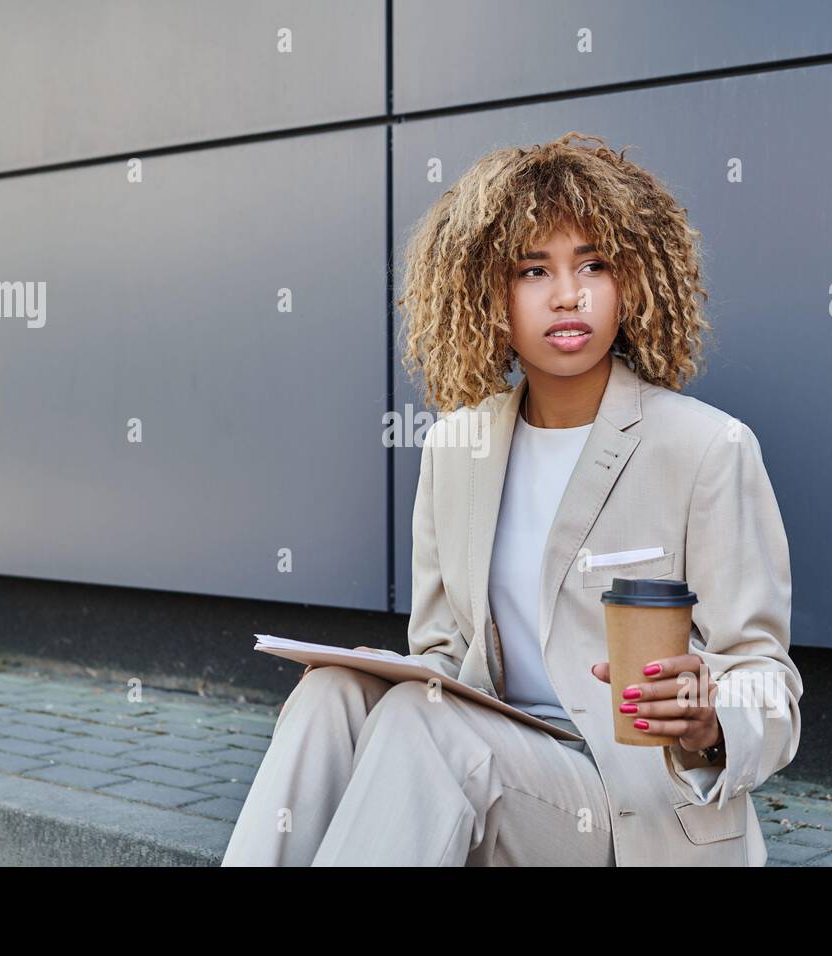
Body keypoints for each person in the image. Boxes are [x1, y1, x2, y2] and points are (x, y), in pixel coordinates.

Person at [220, 131, 801, 866]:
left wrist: (710, 711)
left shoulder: (707, 447)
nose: (569, 293)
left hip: (627, 807)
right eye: (534, 270)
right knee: (332, 694)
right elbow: (442, 656)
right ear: (486, 294)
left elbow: (770, 687)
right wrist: (382, 670)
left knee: (424, 724)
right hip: (488, 761)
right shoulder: (454, 449)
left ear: (635, 281)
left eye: (594, 263)